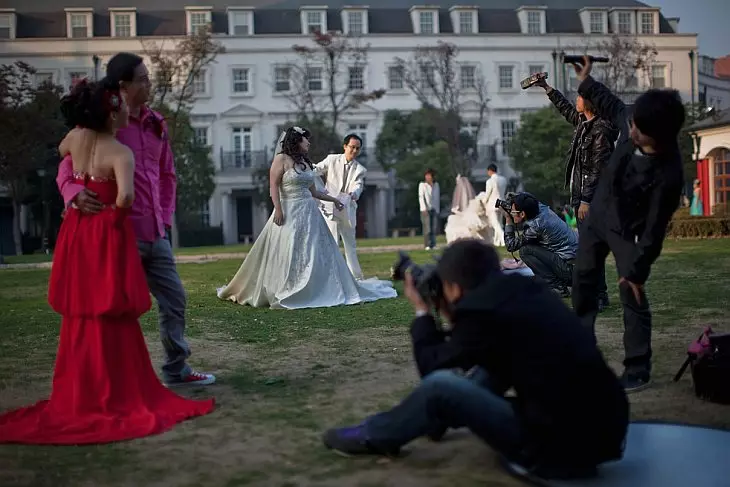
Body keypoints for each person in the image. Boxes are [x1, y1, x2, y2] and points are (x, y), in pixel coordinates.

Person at [0, 79, 214, 445]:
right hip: (110, 233)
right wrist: (88, 203)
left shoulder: (75, 138)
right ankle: (116, 389)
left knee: (85, 309)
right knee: (110, 305)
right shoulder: (120, 151)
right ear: (113, 107)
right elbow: (125, 196)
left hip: (80, 235)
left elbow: (65, 154)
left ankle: (82, 391)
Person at [322, 239, 629, 480]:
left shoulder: (482, 313)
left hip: (557, 448)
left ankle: (376, 435)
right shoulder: (521, 291)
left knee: (441, 386)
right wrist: (452, 314)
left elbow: (432, 368)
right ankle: (433, 420)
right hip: (606, 433)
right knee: (492, 366)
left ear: (455, 286)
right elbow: (481, 351)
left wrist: (422, 312)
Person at [55, 53, 215, 387]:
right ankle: (111, 378)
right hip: (115, 233)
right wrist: (71, 192)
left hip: (155, 232)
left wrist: (166, 218)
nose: (149, 83)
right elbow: (69, 164)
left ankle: (176, 369)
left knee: (174, 300)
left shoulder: (157, 123)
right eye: (142, 78)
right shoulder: (103, 124)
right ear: (123, 86)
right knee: (116, 308)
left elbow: (167, 173)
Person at [569, 56, 686, 392]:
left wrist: (638, 269)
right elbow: (611, 103)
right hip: (598, 218)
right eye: (631, 123)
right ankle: (580, 360)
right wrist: (586, 80)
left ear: (658, 138)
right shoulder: (631, 119)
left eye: (637, 129)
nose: (629, 129)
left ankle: (637, 369)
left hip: (627, 230)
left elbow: (655, 227)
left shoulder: (669, 174)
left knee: (631, 292)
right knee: (583, 287)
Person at [216, 126, 397, 309]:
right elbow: (273, 186)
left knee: (314, 250)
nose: (309, 143)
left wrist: (333, 199)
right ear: (296, 141)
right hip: (288, 210)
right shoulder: (281, 160)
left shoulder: (305, 162)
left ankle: (316, 287)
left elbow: (314, 192)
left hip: (310, 212)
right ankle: (286, 286)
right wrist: (278, 209)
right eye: (306, 140)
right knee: (288, 248)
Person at [535, 77, 617, 310]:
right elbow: (566, 110)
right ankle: (598, 294)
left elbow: (596, 169)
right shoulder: (584, 123)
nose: (577, 101)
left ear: (590, 102)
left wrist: (585, 200)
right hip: (584, 197)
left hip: (593, 200)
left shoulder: (601, 130)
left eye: (580, 97)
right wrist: (547, 89)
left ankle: (598, 295)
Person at [504, 193, 578, 297]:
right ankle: (558, 283)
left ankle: (557, 287)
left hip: (571, 271)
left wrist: (508, 219)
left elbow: (510, 245)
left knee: (525, 250)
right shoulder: (540, 208)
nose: (511, 213)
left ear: (522, 214)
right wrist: (514, 198)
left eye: (513, 212)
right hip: (576, 265)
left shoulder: (536, 226)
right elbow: (529, 197)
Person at [314, 134, 366, 280]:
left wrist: (354, 193)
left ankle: (356, 278)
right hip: (330, 206)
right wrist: (302, 169)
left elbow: (358, 185)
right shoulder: (332, 160)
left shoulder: (360, 169)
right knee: (333, 243)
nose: (354, 150)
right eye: (352, 147)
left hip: (348, 209)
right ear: (345, 146)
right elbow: (316, 170)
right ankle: (333, 277)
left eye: (357, 148)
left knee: (350, 245)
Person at [484, 164, 508, 247]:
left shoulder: (490, 181)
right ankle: (497, 242)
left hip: (492, 204)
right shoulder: (503, 179)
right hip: (501, 203)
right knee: (500, 223)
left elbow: (488, 194)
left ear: (490, 171)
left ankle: (504, 239)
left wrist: (483, 202)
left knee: (495, 224)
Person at [418, 169, 440, 250]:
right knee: (427, 228)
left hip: (434, 208)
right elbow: (421, 197)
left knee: (433, 227)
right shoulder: (422, 185)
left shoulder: (436, 185)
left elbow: (437, 198)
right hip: (425, 209)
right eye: (426, 175)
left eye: (429, 175)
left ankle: (433, 244)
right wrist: (423, 208)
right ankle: (427, 244)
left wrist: (437, 209)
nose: (427, 177)